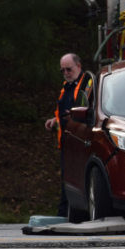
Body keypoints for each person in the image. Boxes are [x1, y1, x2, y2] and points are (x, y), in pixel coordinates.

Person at [44, 54, 93, 217]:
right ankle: (66, 214)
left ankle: (73, 214)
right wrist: (55, 120)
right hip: (68, 142)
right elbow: (65, 113)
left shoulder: (88, 84)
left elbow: (85, 112)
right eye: (63, 70)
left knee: (77, 179)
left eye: (69, 69)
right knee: (67, 179)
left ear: (78, 66)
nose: (66, 72)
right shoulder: (67, 87)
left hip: (81, 141)